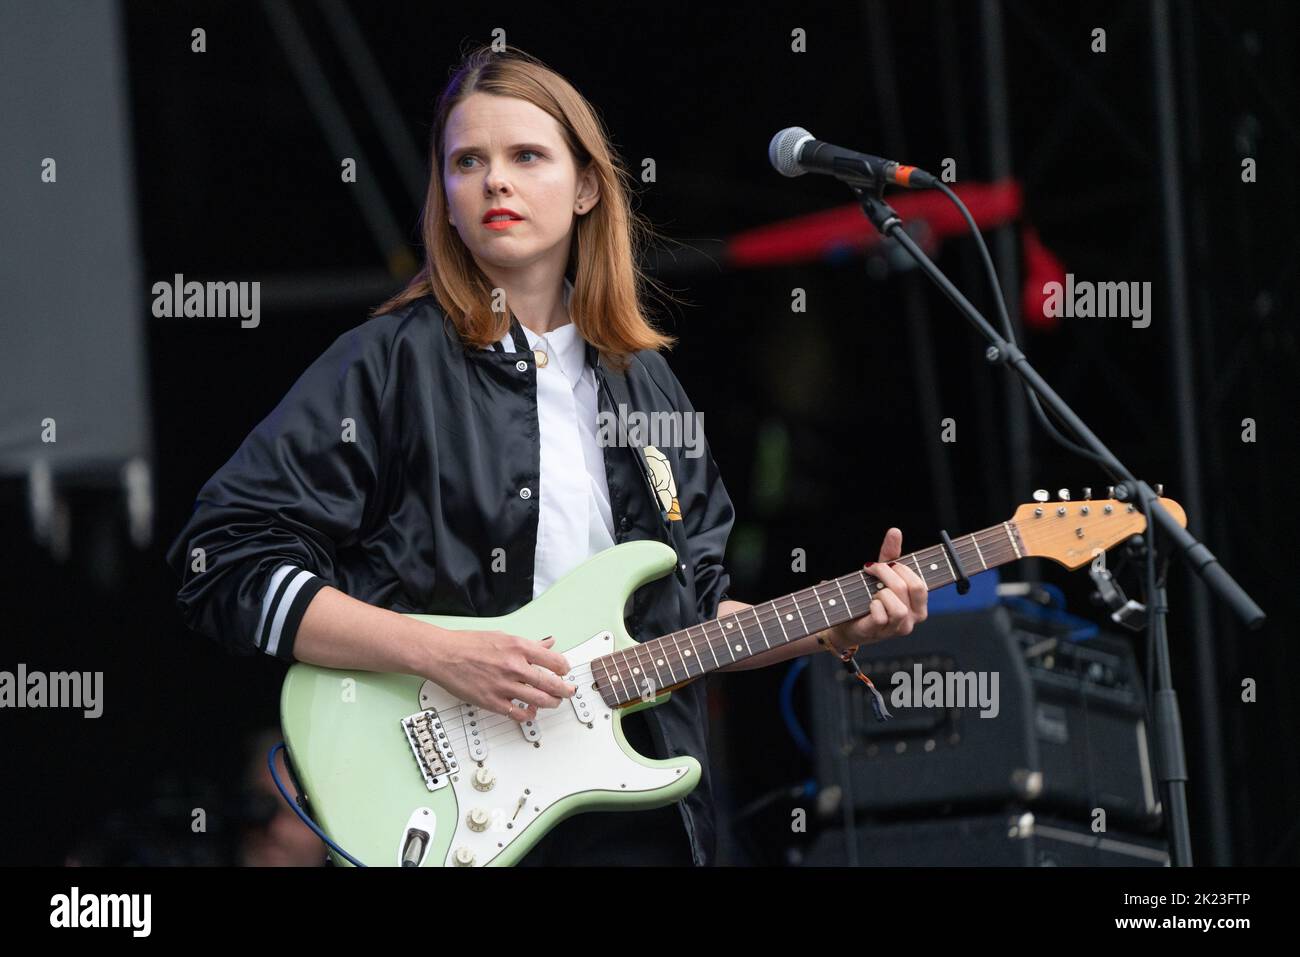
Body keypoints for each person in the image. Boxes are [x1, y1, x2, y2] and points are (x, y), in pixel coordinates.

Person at [165, 44, 927, 867]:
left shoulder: (650, 388)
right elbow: (222, 559)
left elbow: (694, 617)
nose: (496, 180)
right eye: (468, 162)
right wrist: (443, 653)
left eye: (527, 156)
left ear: (589, 187)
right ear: (446, 200)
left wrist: (832, 626)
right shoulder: (390, 363)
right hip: (450, 804)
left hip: (627, 815)